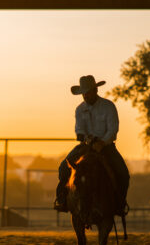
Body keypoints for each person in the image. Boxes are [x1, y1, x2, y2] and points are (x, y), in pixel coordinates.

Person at [54, 75, 129, 215]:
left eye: (87, 92)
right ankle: (62, 199)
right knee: (63, 168)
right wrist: (86, 139)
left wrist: (102, 142)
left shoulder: (108, 106)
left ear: (95, 90)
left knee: (123, 173)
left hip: (106, 146)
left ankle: (120, 203)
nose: (85, 95)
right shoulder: (79, 109)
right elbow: (79, 129)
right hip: (86, 145)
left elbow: (113, 130)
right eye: (83, 93)